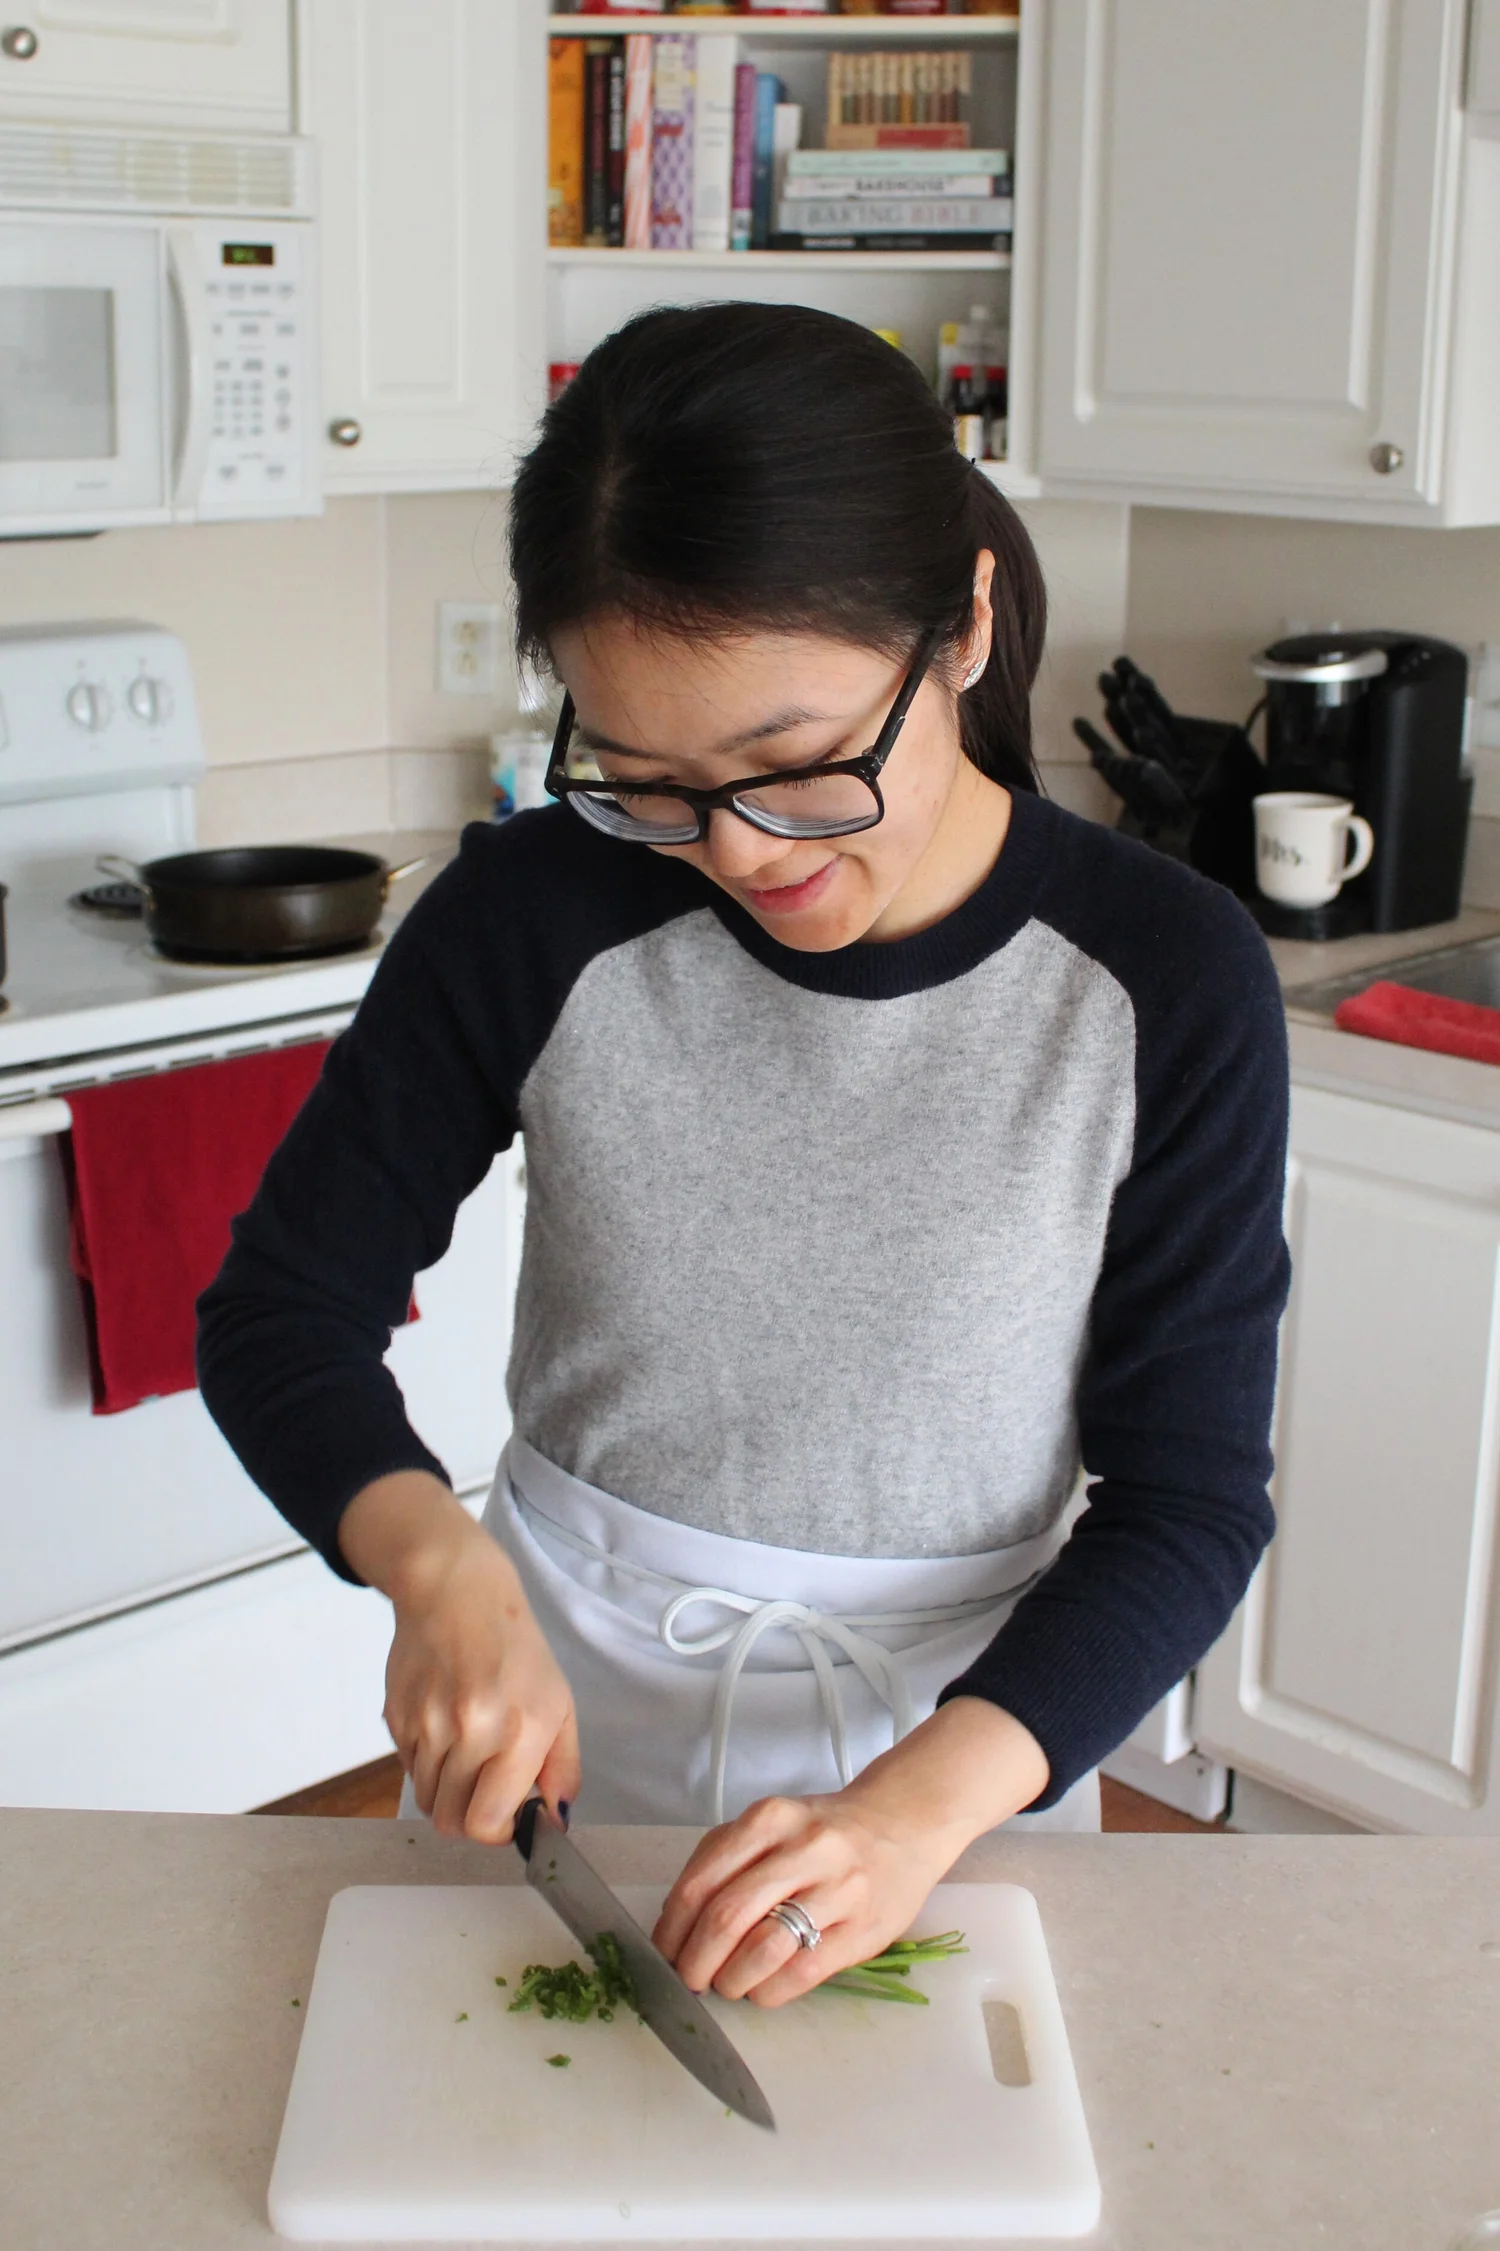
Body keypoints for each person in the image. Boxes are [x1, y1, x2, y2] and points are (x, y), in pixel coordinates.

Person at [198, 303, 1289, 2010]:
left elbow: (1188, 1502)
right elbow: (283, 1310)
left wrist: (913, 1812)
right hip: (563, 1733)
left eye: (792, 768)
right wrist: (434, 1564)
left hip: (969, 1758)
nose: (734, 851)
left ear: (963, 625)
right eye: (647, 781)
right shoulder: (533, 912)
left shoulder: (1165, 977)